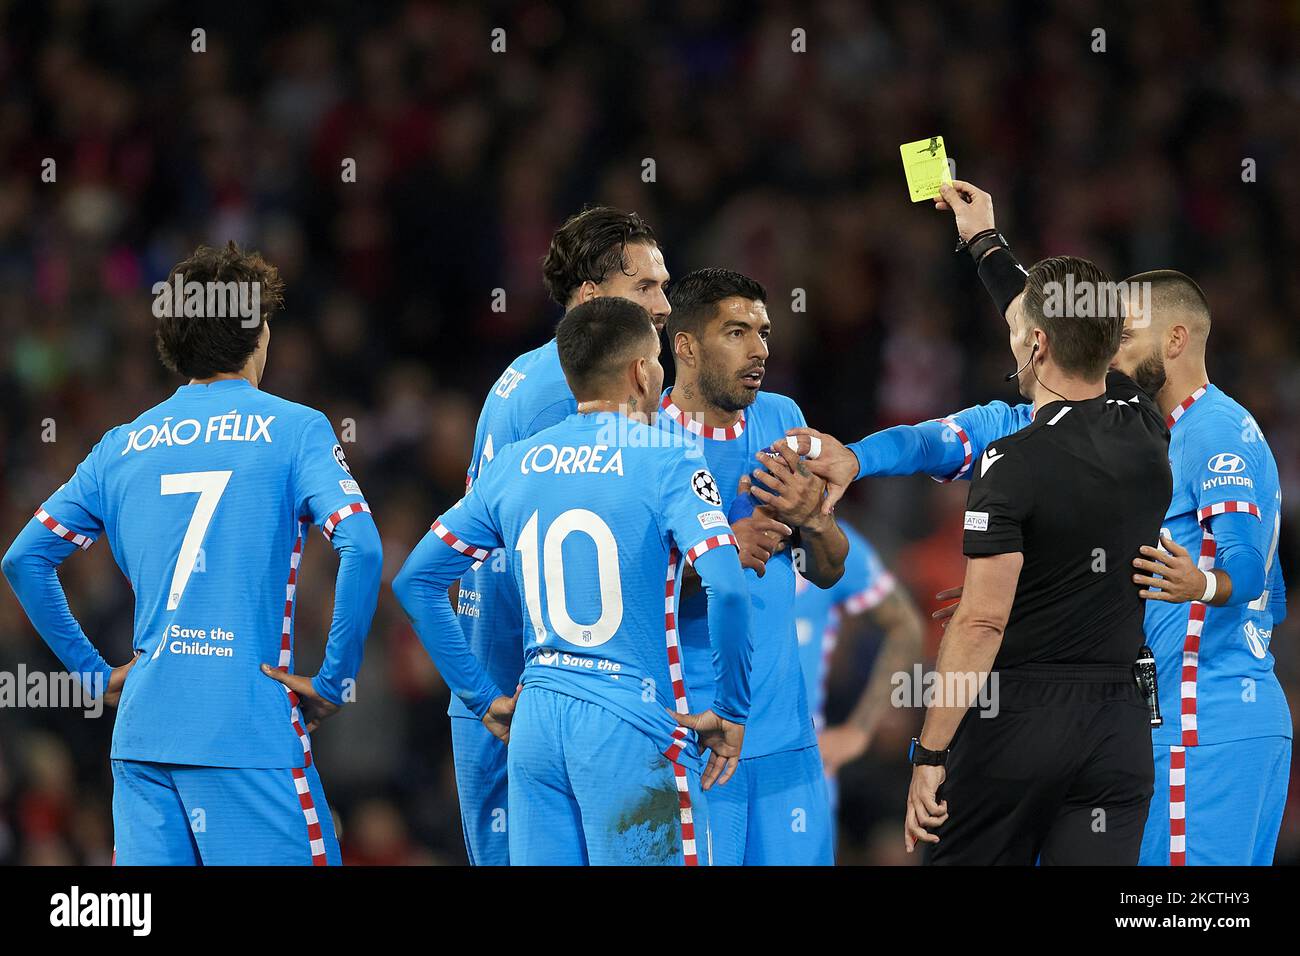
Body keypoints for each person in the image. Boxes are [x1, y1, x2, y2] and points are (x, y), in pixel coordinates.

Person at [800, 181, 1291, 865]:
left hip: (1205, 716)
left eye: (1127, 331)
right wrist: (985, 244)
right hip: (1147, 723)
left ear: (1175, 338)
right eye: (1106, 332)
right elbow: (1040, 345)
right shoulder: (1135, 424)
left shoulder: (1210, 432)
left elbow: (1245, 566)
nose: (1114, 344)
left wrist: (1203, 582)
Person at [2, 242, 383, 865]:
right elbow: (362, 547)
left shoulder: (120, 446)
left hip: (146, 736)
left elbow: (24, 560)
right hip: (246, 728)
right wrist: (336, 678)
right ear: (257, 334)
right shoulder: (296, 429)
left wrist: (93, 674)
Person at [801, 249, 1172, 862]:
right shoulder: (1145, 424)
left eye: (1016, 332)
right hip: (1118, 732)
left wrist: (931, 754)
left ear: (1036, 345)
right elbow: (1069, 326)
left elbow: (980, 623)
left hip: (1018, 724)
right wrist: (987, 246)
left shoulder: (1011, 461)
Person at [392, 296, 752, 865]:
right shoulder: (668, 457)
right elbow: (728, 589)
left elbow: (415, 582)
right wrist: (732, 709)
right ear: (641, 372)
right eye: (658, 361)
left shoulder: (515, 463)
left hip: (536, 725)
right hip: (631, 725)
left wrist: (481, 696)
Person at [448, 206, 671, 864]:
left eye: (664, 284)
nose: (664, 303)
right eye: (646, 288)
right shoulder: (569, 395)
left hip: (500, 687)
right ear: (592, 296)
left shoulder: (531, 370)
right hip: (536, 691)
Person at [659, 267, 847, 865]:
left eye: (763, 332)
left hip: (785, 742)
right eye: (737, 332)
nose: (760, 349)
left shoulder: (782, 420)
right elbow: (621, 591)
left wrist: (814, 517)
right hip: (693, 740)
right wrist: (717, 554)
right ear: (685, 346)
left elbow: (829, 570)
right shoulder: (642, 439)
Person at [793, 523, 924, 828]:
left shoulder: (831, 542)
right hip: (713, 753)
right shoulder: (709, 524)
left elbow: (905, 626)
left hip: (802, 765)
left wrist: (860, 729)